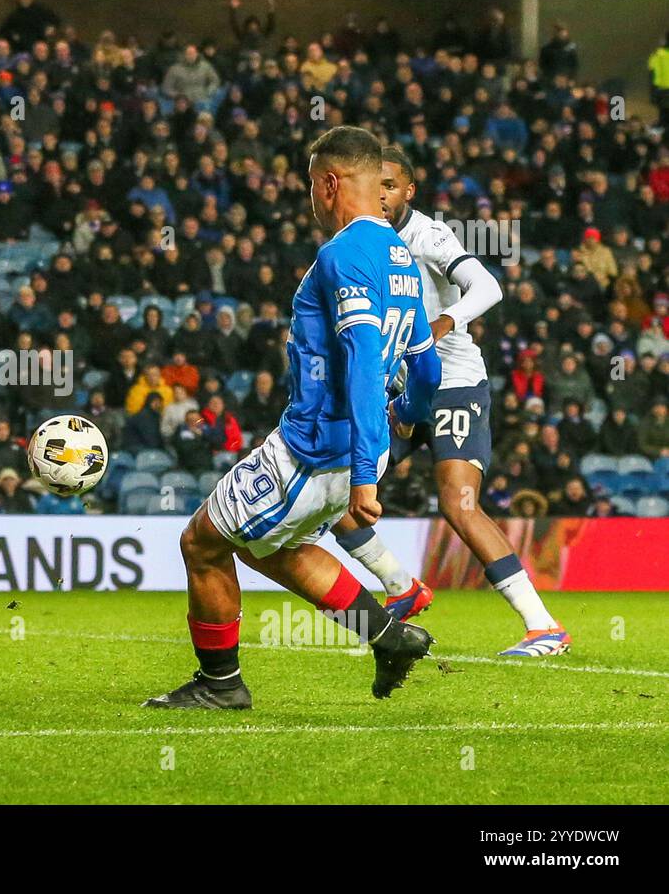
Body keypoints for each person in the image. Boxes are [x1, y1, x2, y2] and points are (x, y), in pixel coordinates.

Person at [145, 126, 441, 711]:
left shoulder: (343, 255)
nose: (310, 198)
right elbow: (426, 364)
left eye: (312, 185)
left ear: (330, 183)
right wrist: (406, 415)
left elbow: (360, 362)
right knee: (273, 546)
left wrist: (363, 473)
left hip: (316, 447)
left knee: (201, 541)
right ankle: (389, 638)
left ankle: (220, 684)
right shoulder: (400, 258)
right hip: (353, 441)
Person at [330, 147, 571, 657]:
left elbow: (487, 285)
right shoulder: (360, 242)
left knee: (459, 505)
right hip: (399, 389)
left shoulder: (430, 235)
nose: (382, 195)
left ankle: (543, 626)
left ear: (409, 190)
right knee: (335, 497)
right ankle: (402, 587)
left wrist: (443, 323)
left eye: (391, 186)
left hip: (454, 382)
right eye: (376, 186)